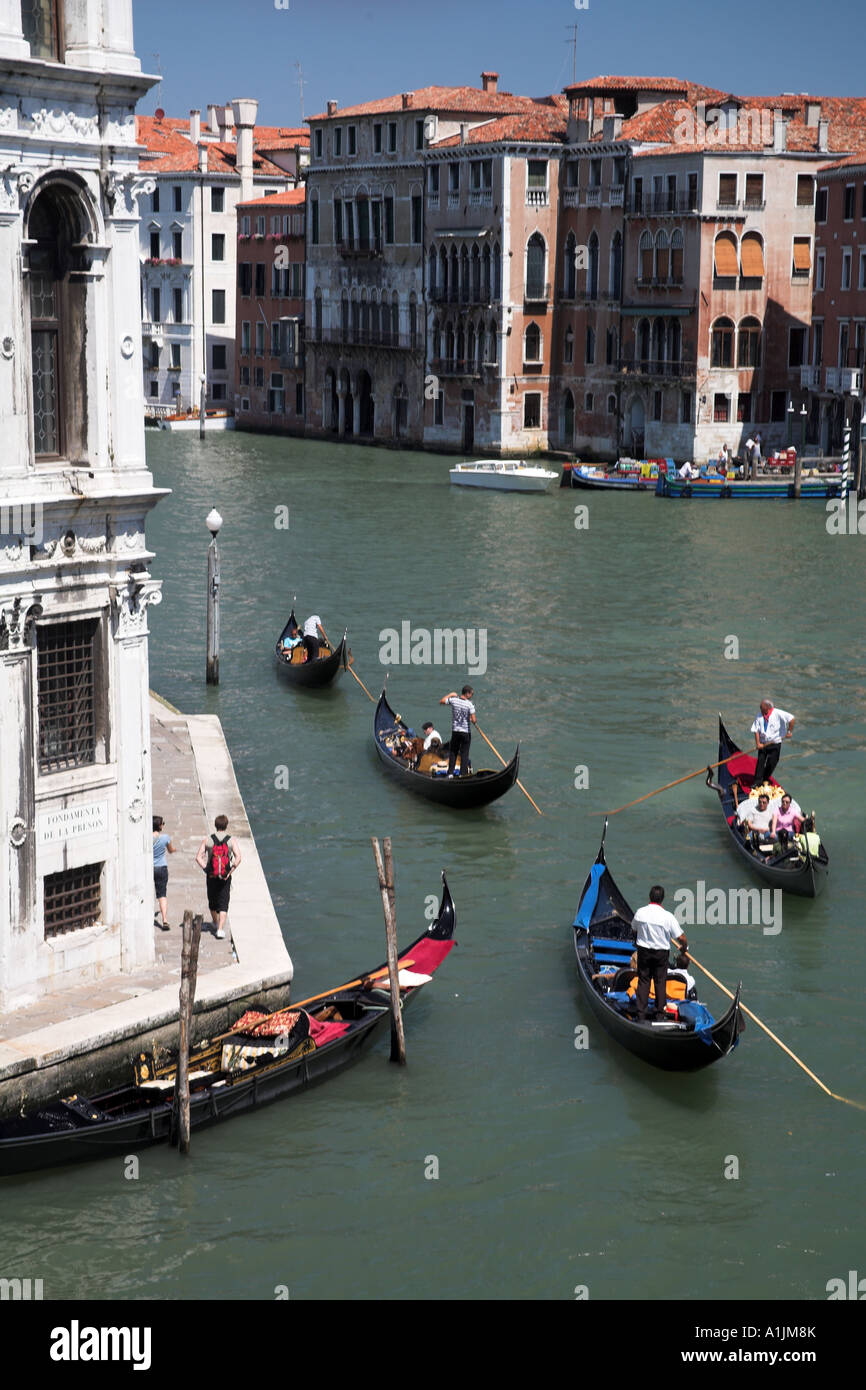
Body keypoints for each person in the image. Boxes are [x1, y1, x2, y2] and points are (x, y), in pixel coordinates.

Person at [631, 886, 688, 1022]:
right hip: (661, 954)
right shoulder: (668, 917)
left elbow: (633, 929)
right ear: (662, 899)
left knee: (644, 981)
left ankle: (641, 1015)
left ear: (650, 897)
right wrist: (683, 948)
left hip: (643, 951)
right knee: (660, 982)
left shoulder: (640, 913)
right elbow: (681, 937)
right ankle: (660, 1015)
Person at [196, 814, 242, 940]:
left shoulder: (208, 840)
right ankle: (220, 929)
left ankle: (215, 922)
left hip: (211, 875)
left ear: (215, 826)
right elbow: (239, 857)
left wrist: (206, 868)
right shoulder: (231, 840)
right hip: (225, 877)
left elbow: (198, 857)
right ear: (226, 826)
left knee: (212, 901)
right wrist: (230, 870)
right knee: (223, 902)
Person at [751, 699, 795, 786]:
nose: (761, 711)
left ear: (768, 708)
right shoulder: (759, 715)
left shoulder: (778, 713)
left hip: (775, 742)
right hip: (763, 743)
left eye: (762, 709)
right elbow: (756, 730)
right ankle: (757, 783)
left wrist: (789, 731)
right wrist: (758, 743)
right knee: (760, 762)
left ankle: (765, 779)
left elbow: (791, 719)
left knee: (772, 762)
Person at [440, 685, 476, 777]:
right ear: (467, 693)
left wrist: (450, 694)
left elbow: (442, 701)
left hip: (455, 731)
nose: (472, 696)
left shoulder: (454, 700)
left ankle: (450, 773)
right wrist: (470, 719)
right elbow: (474, 720)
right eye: (471, 694)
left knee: (453, 752)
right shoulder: (470, 704)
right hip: (465, 732)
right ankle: (462, 774)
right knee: (464, 754)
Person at [152, 815, 176, 931]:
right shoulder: (165, 838)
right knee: (162, 894)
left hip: (149, 868)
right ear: (159, 826)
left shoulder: (147, 838)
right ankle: (165, 919)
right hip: (161, 868)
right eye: (163, 823)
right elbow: (171, 850)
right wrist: (175, 849)